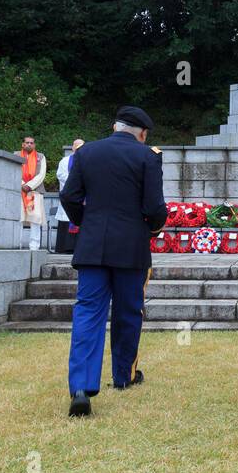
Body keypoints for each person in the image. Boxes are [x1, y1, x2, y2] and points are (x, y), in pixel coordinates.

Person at [59, 107, 166, 417]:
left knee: (88, 313)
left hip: (92, 247)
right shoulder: (147, 157)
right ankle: (123, 376)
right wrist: (149, 228)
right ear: (142, 133)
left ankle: (80, 387)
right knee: (128, 312)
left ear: (114, 126)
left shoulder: (87, 152)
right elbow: (155, 207)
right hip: (130, 248)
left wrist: (88, 222)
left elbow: (69, 196)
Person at [55, 138, 84, 254]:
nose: (79, 150)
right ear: (73, 148)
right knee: (67, 218)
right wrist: (75, 182)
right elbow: (61, 175)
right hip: (70, 193)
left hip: (82, 196)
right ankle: (64, 247)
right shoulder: (65, 161)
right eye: (77, 147)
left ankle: (79, 247)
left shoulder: (87, 160)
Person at [17, 135, 47, 250]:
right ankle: (17, 245)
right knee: (18, 218)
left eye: (32, 143)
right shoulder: (15, 155)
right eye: (27, 142)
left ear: (34, 145)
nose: (29, 144)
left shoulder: (41, 157)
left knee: (35, 219)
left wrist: (29, 185)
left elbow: (42, 174)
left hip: (35, 191)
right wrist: (22, 184)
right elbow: (13, 171)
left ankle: (34, 246)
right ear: (23, 144)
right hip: (19, 191)